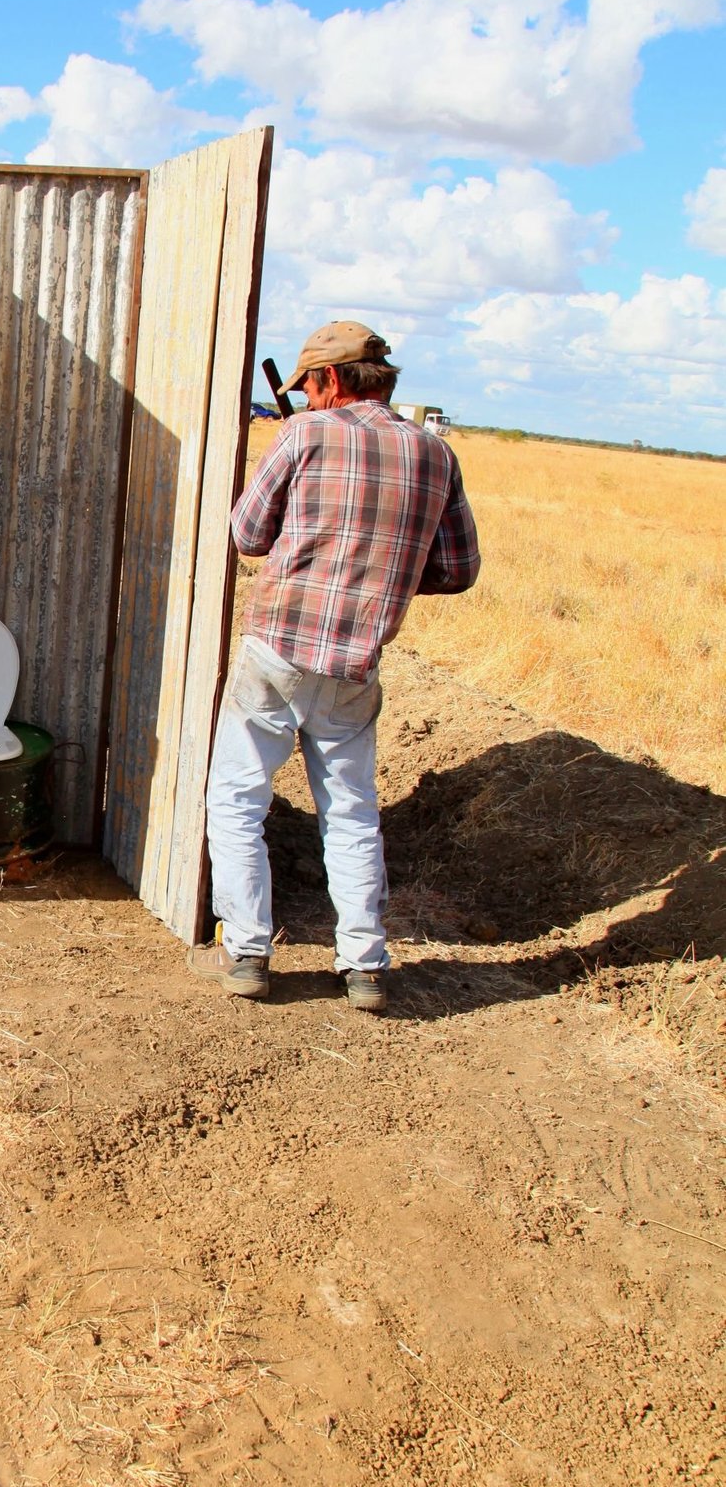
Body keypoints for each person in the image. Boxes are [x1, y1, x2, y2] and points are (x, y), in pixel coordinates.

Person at [204, 321, 480, 1012]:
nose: (309, 399)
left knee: (238, 802)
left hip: (277, 652)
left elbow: (246, 536)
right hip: (357, 662)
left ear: (328, 380)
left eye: (310, 387)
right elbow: (458, 570)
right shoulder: (435, 455)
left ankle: (247, 952)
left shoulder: (303, 435)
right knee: (353, 814)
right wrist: (380, 573)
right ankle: (363, 966)